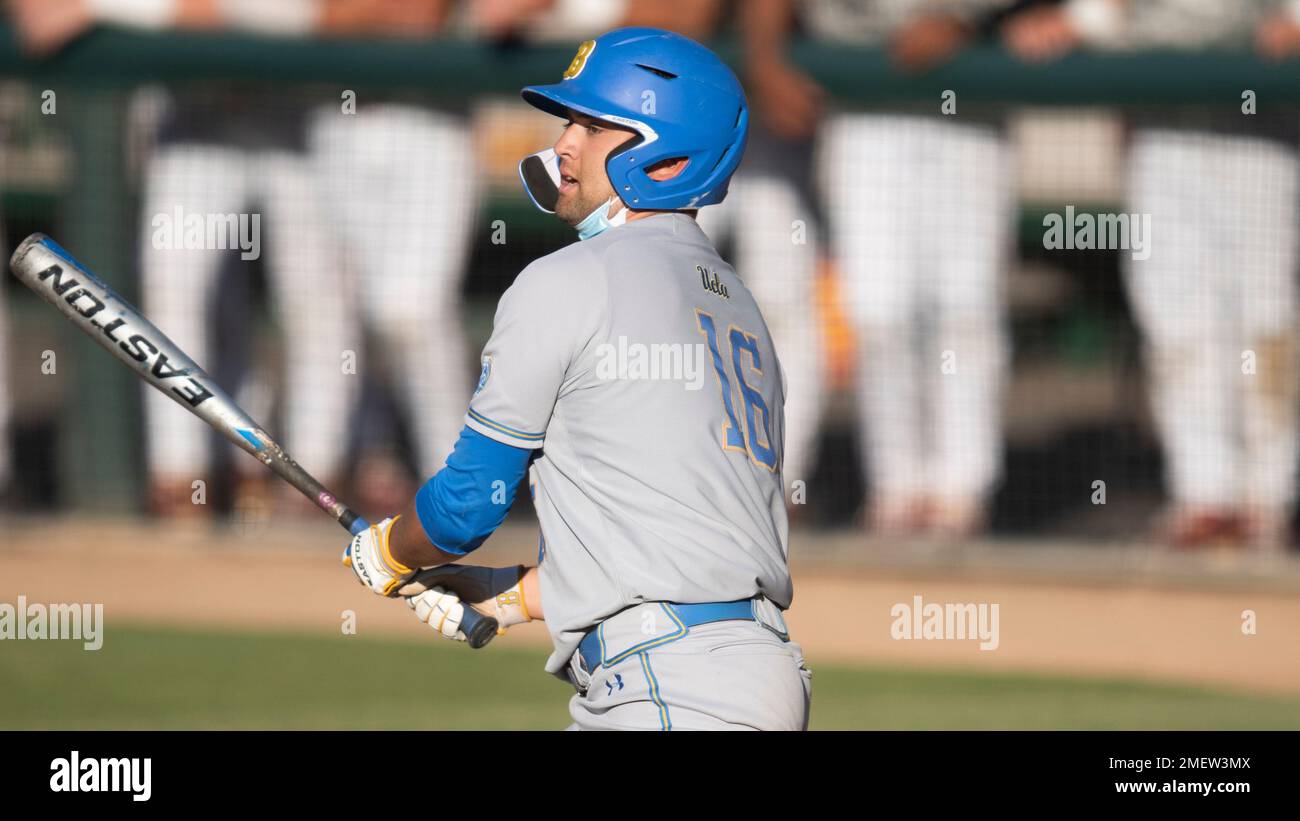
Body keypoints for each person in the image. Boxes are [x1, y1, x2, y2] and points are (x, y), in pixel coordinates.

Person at [344, 27, 812, 731]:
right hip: (751, 673)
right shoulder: (740, 308)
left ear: (664, 159)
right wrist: (509, 596)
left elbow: (467, 505)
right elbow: (676, 534)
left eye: (593, 127)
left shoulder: (568, 280)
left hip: (670, 688)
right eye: (569, 121)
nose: (563, 143)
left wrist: (388, 550)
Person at [1004, 0, 1300, 552]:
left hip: (1263, 119)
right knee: (1176, 317)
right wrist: (1073, 22)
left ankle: (1267, 499)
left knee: (1265, 321)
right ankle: (1204, 494)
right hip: (1164, 127)